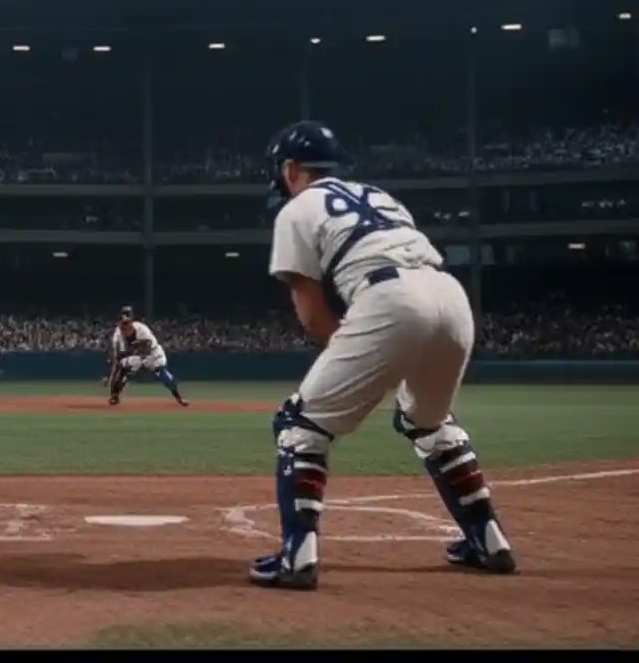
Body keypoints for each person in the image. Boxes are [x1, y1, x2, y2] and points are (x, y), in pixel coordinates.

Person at [250, 121, 516, 590]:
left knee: (299, 425)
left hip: (390, 299)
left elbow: (312, 315)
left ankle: (298, 557)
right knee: (429, 423)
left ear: (291, 169)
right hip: (450, 296)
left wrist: (363, 359)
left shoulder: (296, 209)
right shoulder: (379, 195)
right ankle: (488, 539)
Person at [105, 305, 189, 407]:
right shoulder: (117, 336)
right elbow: (117, 358)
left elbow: (147, 348)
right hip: (138, 356)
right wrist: (113, 377)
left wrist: (133, 350)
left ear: (131, 322)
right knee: (122, 368)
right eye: (122, 324)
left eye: (126, 323)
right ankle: (115, 396)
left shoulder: (141, 329)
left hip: (153, 355)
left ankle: (179, 398)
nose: (124, 326)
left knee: (162, 374)